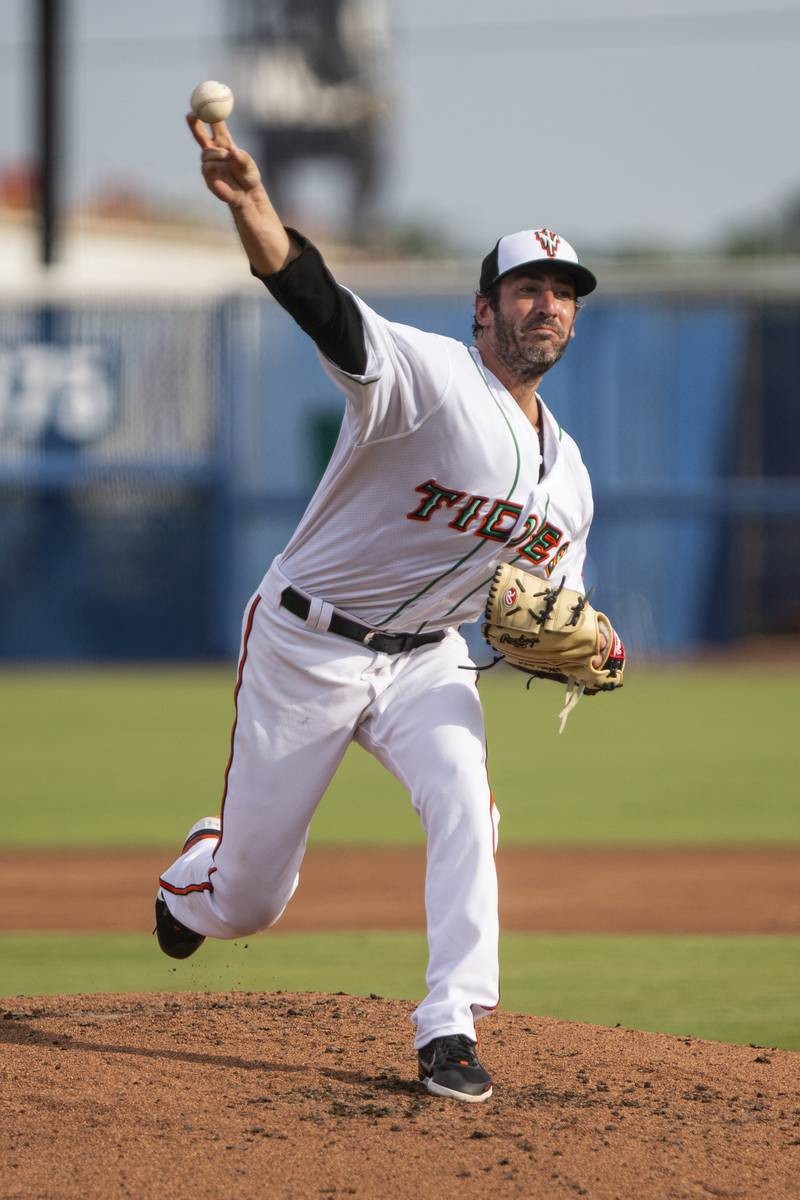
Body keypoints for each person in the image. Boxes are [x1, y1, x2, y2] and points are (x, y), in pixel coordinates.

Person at [155, 114, 602, 1104]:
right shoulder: (428, 377)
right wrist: (253, 206)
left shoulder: (567, 480)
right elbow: (317, 303)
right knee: (247, 903)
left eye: (562, 293)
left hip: (424, 658)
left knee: (466, 800)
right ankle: (197, 870)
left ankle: (449, 1023)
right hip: (304, 641)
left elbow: (532, 612)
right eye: (526, 288)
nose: (546, 305)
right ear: (483, 311)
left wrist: (575, 641)